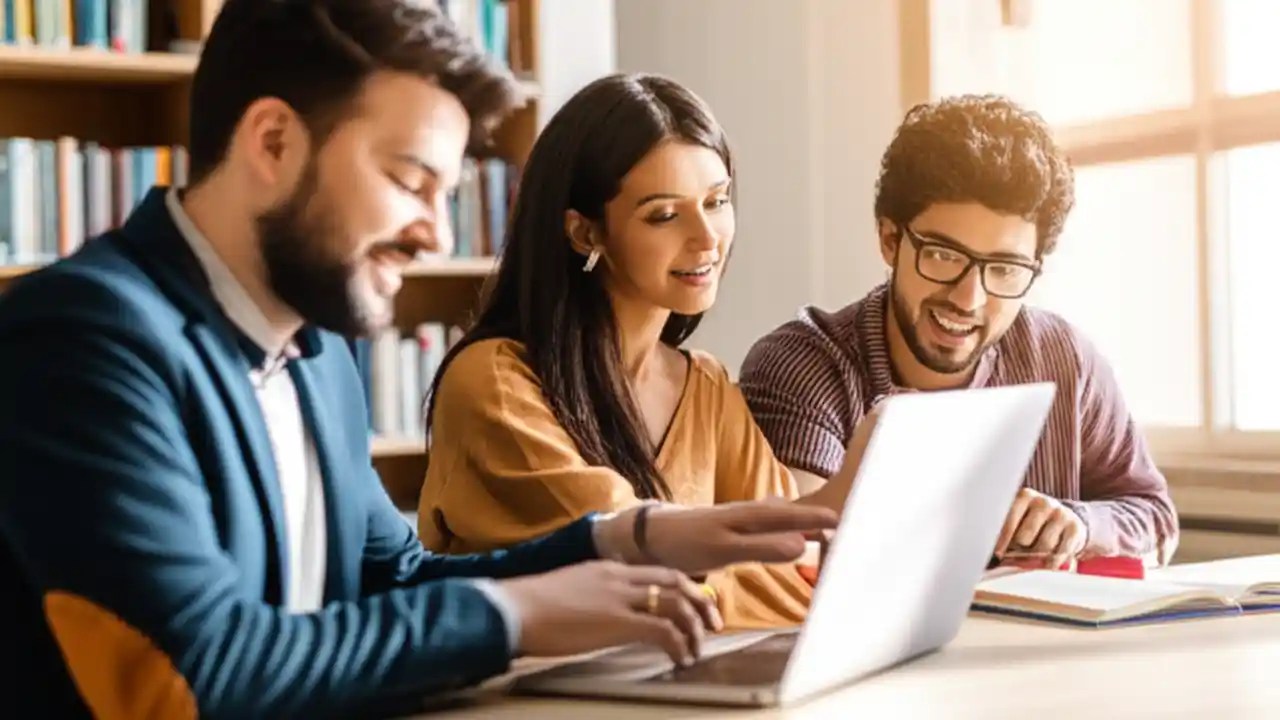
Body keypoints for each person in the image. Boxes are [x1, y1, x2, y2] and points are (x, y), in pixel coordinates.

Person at [0, 3, 841, 718]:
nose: (437, 234)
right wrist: (512, 616)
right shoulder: (83, 339)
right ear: (272, 142)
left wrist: (630, 535)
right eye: (409, 181)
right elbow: (195, 670)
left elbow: (390, 575)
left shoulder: (316, 349)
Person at [417, 73, 871, 631]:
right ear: (585, 234)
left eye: (717, 201)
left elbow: (786, 565)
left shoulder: (704, 386)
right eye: (664, 214)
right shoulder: (494, 382)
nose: (707, 237)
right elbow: (628, 550)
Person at [740, 94, 1179, 572]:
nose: (968, 299)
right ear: (890, 240)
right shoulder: (805, 363)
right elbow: (799, 554)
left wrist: (1080, 525)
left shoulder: (1064, 358)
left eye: (1006, 269)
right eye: (944, 256)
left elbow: (1156, 521)